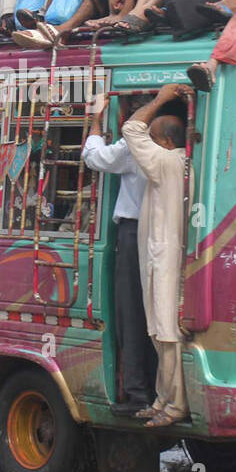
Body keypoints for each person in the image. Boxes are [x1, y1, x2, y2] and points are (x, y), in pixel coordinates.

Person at [121, 84, 193, 428]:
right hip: (166, 256)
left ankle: (175, 404)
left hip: (164, 259)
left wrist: (161, 99)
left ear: (164, 143)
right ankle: (162, 399)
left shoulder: (164, 162)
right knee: (161, 331)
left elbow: (131, 127)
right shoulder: (182, 162)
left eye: (154, 137)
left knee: (166, 332)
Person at [83, 97, 157, 415]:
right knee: (155, 315)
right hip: (164, 234)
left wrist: (96, 122)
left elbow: (93, 157)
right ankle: (156, 391)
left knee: (131, 313)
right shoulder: (174, 147)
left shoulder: (134, 147)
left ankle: (138, 394)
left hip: (132, 233)